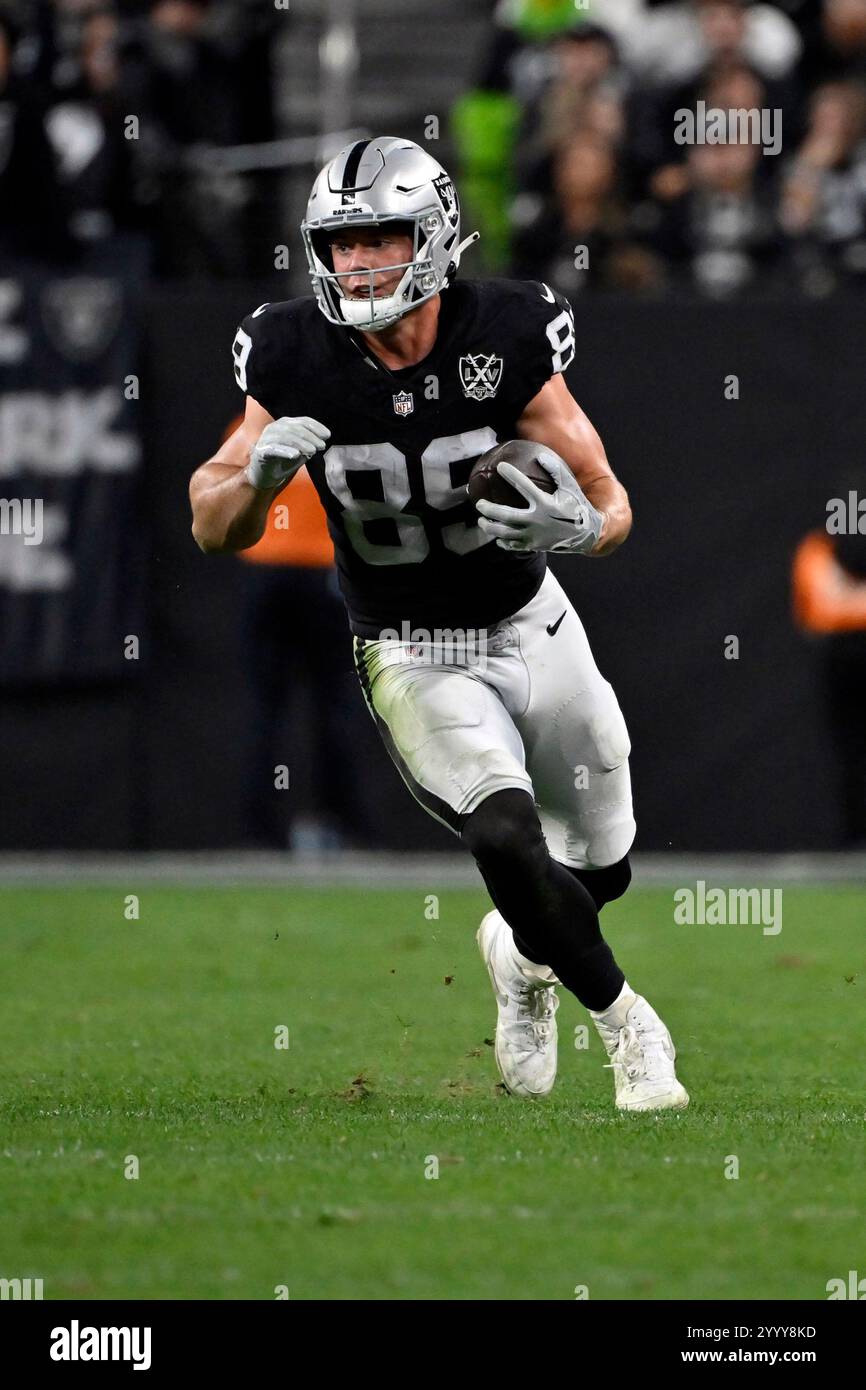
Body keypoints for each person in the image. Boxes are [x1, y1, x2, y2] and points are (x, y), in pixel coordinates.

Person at [188, 136, 689, 1112]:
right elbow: (210, 525)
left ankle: (516, 951)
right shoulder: (291, 352)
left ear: (432, 238)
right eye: (341, 244)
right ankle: (627, 1023)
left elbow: (608, 500)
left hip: (533, 623)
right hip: (411, 647)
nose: (358, 263)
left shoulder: (506, 329)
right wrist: (252, 481)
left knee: (602, 863)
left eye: (381, 239)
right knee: (505, 833)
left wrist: (584, 528)